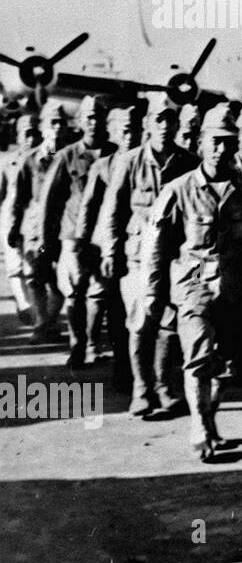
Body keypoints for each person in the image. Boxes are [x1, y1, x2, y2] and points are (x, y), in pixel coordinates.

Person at [146, 106, 242, 461]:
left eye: (227, 142)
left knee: (224, 365)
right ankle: (199, 427)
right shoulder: (178, 190)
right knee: (198, 357)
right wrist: (152, 293)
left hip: (237, 289)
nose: (221, 149)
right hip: (193, 287)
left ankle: (209, 420)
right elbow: (157, 246)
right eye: (214, 142)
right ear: (201, 143)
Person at [96, 95, 198, 417]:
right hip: (138, 255)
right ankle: (141, 388)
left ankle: (164, 386)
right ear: (147, 124)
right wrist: (110, 250)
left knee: (169, 323)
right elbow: (112, 211)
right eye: (158, 120)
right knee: (140, 323)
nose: (165, 126)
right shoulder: (129, 162)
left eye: (170, 120)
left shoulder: (188, 161)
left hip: (175, 255)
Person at [37, 96, 115, 367]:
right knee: (74, 292)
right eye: (89, 117)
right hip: (73, 236)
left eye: (98, 117)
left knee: (99, 292)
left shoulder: (116, 154)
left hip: (105, 235)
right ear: (80, 122)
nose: (94, 122)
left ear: (106, 119)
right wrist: (46, 243)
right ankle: (77, 345)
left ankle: (92, 344)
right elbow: (49, 202)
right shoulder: (66, 156)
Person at [75, 104, 141, 389]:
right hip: (110, 250)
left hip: (140, 247)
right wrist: (83, 245)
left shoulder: (145, 163)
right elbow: (88, 209)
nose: (131, 137)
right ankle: (123, 368)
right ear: (114, 133)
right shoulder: (103, 166)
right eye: (125, 131)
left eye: (136, 130)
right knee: (116, 312)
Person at [9, 100, 71, 343]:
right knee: (35, 277)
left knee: (62, 282)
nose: (57, 128)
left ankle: (48, 320)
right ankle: (42, 323)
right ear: (43, 127)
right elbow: (19, 197)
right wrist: (14, 227)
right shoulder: (30, 160)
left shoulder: (71, 156)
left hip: (63, 228)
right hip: (35, 229)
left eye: (61, 123)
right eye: (52, 123)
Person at [0, 114, 41, 326]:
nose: (32, 139)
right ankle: (26, 306)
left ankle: (36, 310)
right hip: (11, 218)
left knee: (34, 267)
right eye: (27, 133)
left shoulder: (48, 155)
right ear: (18, 136)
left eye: (35, 133)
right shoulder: (9, 161)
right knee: (15, 266)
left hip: (35, 219)